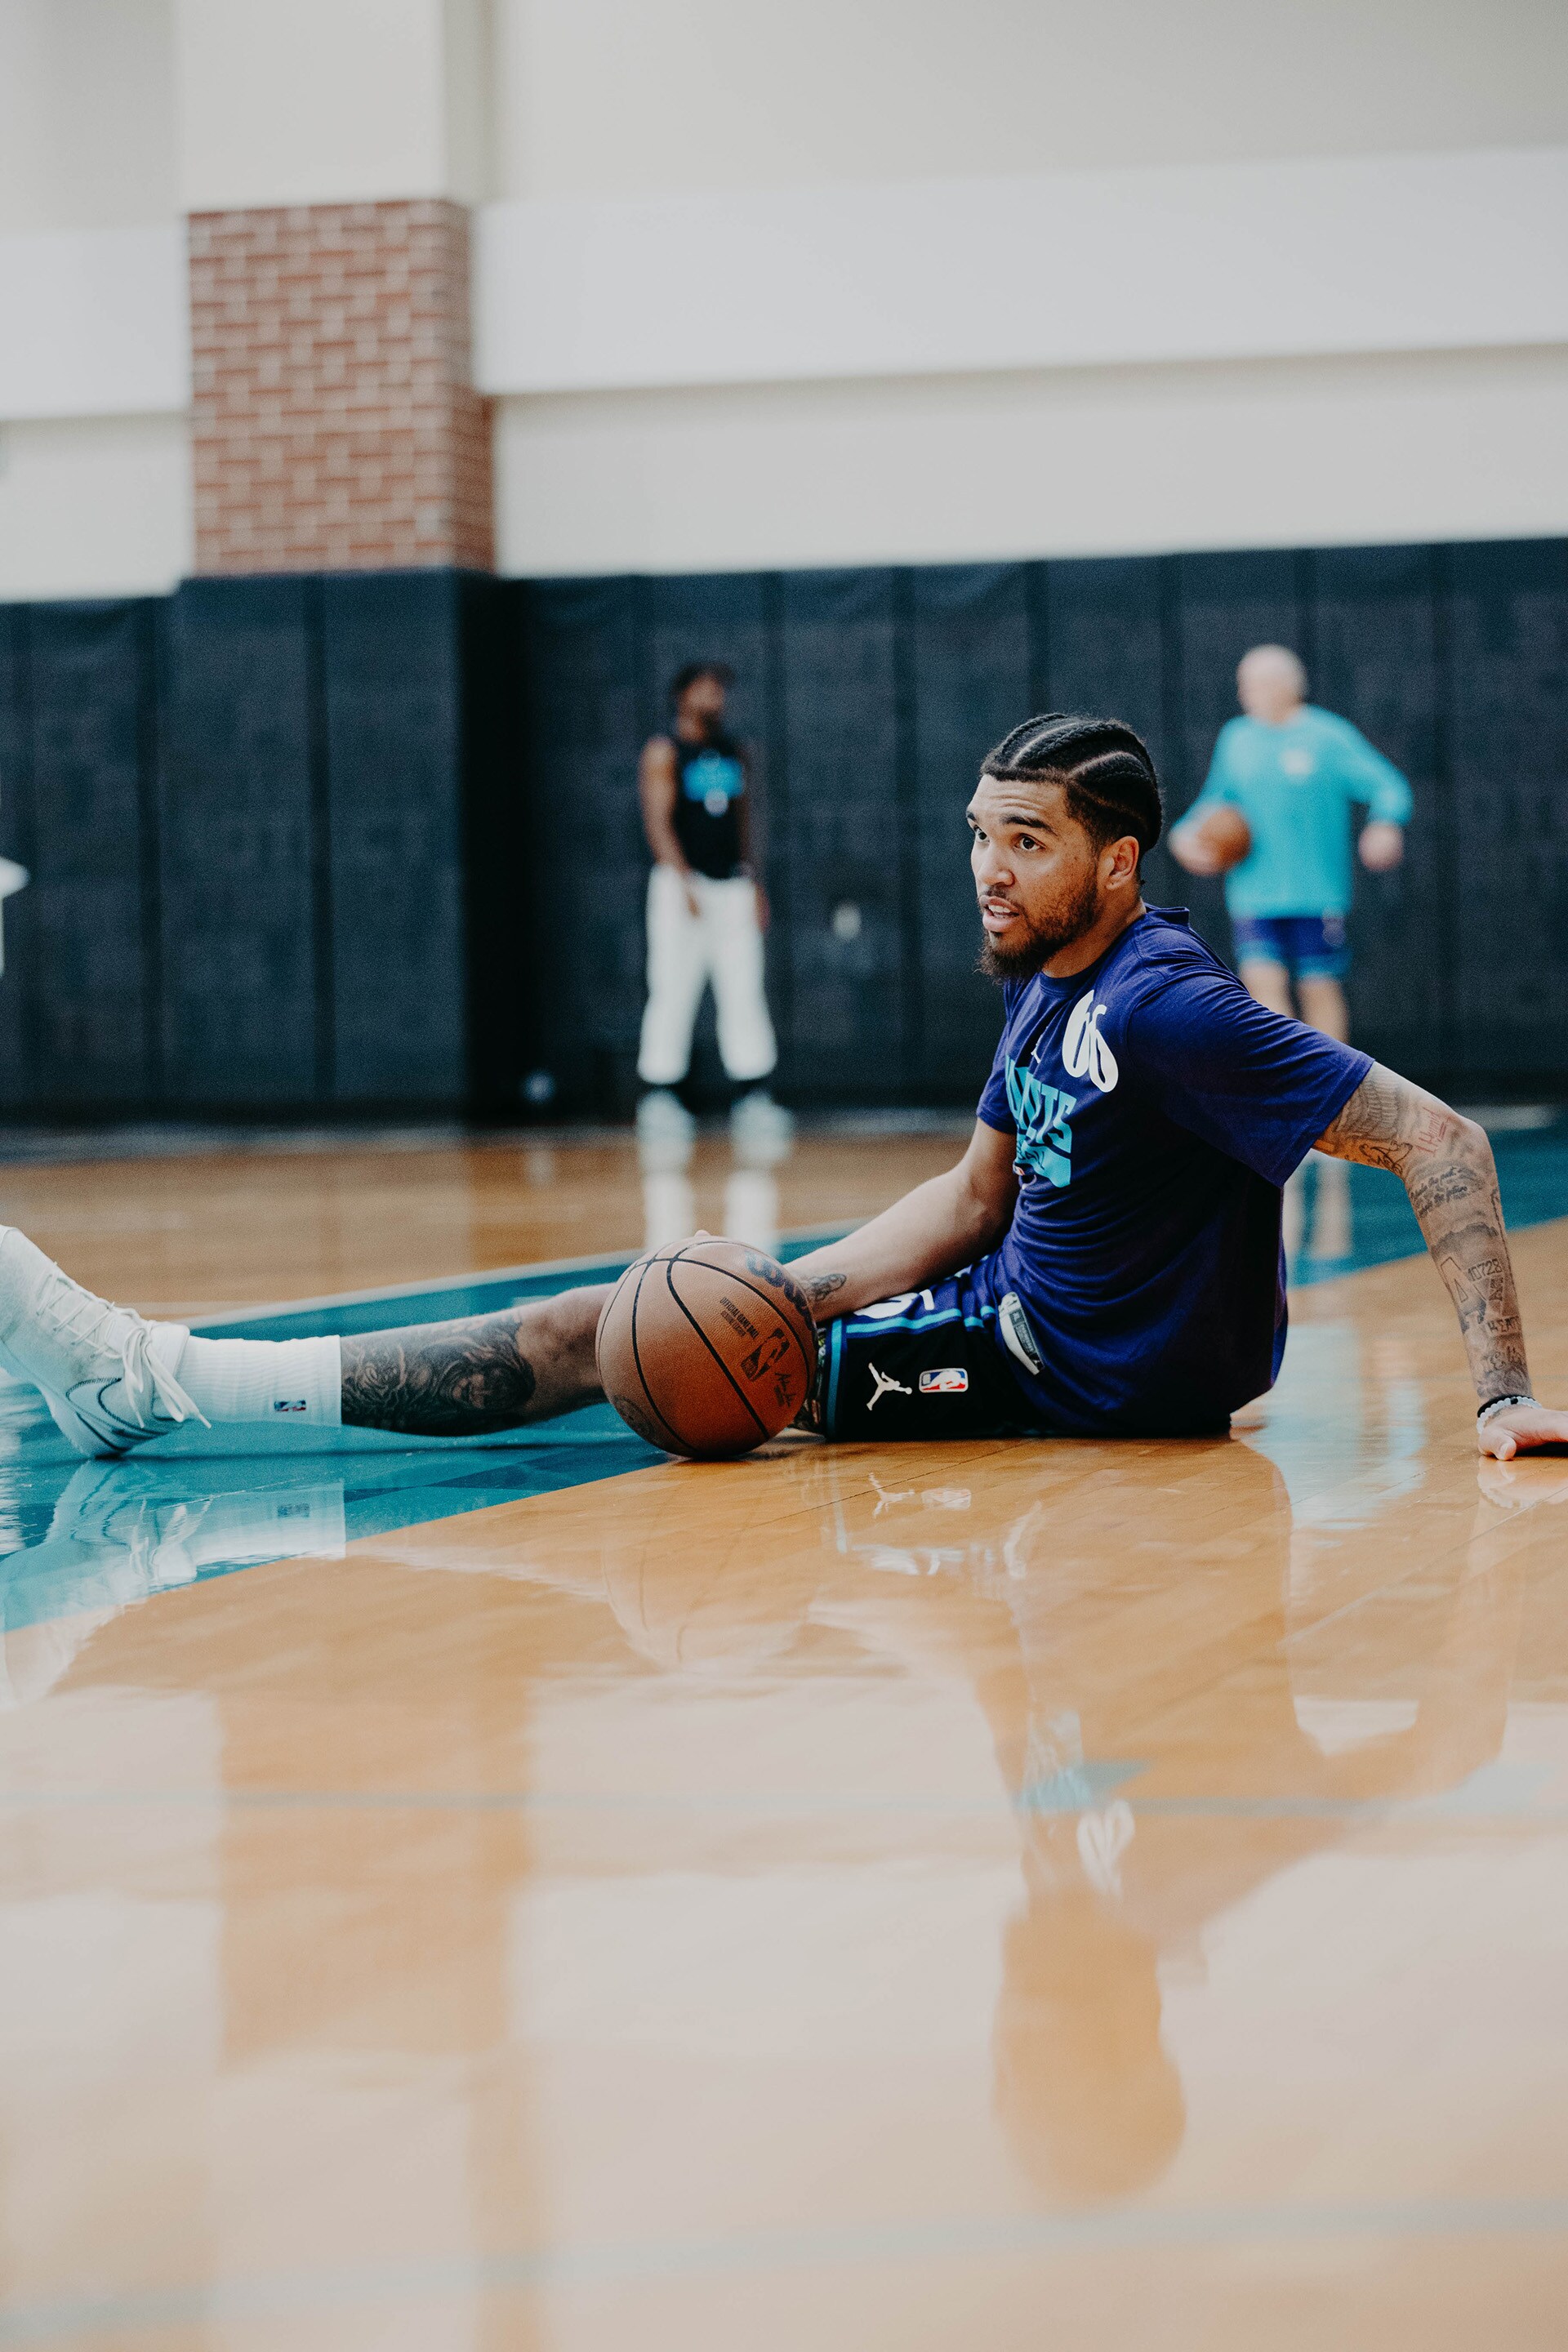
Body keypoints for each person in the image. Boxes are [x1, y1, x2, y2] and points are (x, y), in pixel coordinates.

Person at [0, 714, 1560, 1468]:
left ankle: (155, 1382)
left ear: (1117, 857)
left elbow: (1440, 1137)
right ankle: (157, 1378)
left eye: (1027, 839)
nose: (990, 868)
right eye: (980, 833)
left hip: (1060, 1379)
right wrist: (791, 1292)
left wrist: (1500, 1397)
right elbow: (971, 1200)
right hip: (1005, 1325)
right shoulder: (1051, 985)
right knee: (655, 1314)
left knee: (607, 1340)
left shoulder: (1170, 1009)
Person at [1169, 645, 1413, 1257]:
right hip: (1254, 892)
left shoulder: (1327, 737)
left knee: (1320, 991)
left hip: (1315, 892)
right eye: (1242, 681)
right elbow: (1214, 802)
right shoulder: (1237, 738)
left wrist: (1386, 822)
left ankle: (1334, 1091)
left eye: (1257, 681)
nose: (1247, 691)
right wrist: (1185, 835)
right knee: (1263, 992)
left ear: (1289, 685)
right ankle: (1288, 1095)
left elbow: (1388, 786)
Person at [635, 662, 788, 1160]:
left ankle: (753, 1094)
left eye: (720, 689)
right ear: (682, 695)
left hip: (732, 887)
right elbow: (658, 821)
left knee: (743, 986)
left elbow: (746, 822)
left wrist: (753, 882)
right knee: (673, 986)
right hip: (683, 886)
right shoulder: (664, 751)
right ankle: (660, 1096)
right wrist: (682, 879)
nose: (714, 697)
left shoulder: (733, 751)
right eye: (705, 689)